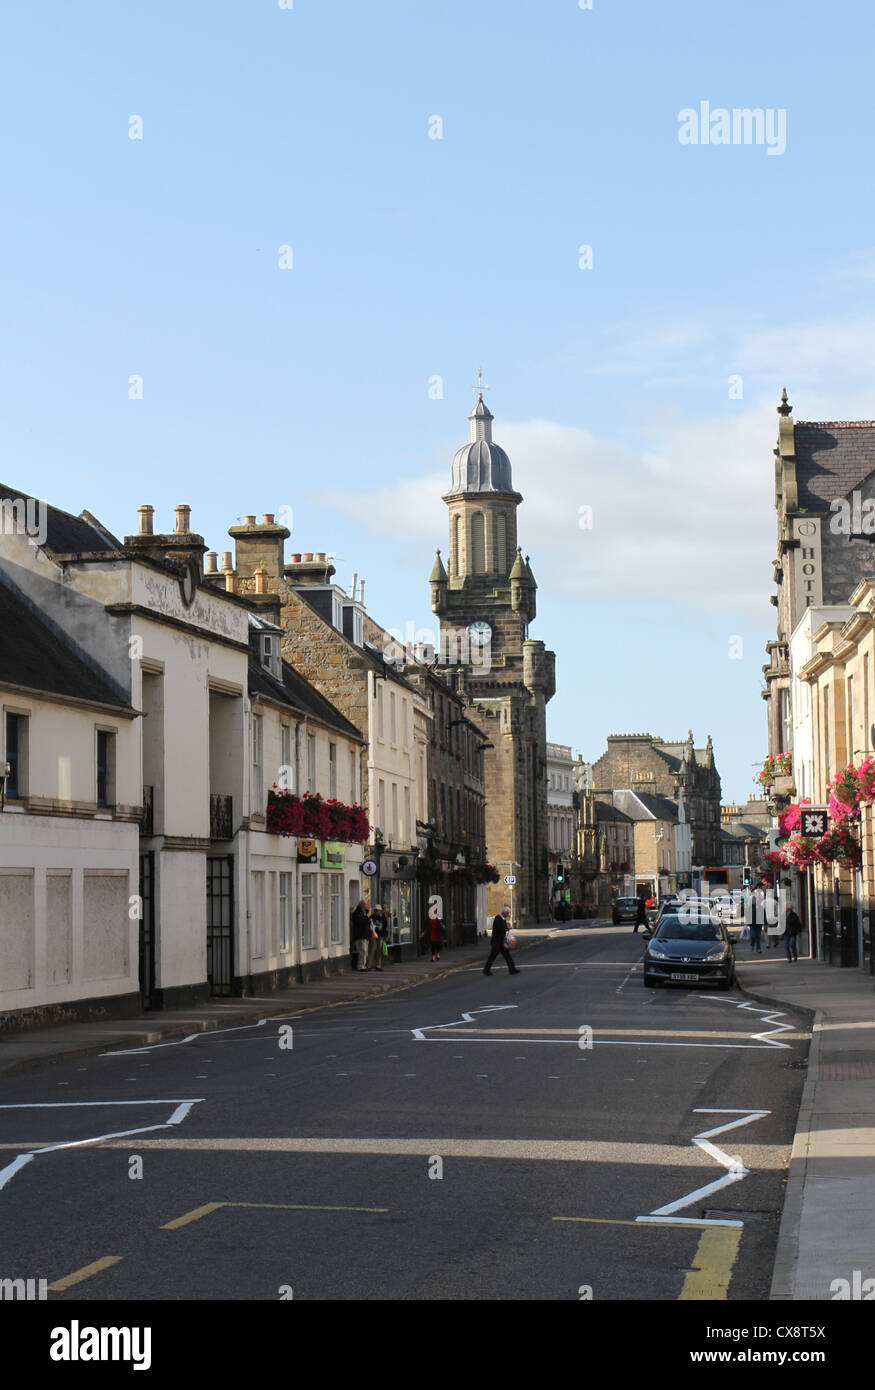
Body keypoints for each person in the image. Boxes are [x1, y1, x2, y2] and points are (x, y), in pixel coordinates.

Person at [483, 905, 520, 976]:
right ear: (504, 912)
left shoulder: (502, 918)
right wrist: (507, 928)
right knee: (492, 956)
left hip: (501, 942)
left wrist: (507, 928)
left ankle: (512, 969)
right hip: (496, 942)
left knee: (507, 955)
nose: (508, 915)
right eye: (507, 913)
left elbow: (503, 927)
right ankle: (486, 970)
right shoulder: (498, 918)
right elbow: (499, 928)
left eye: (508, 913)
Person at [351, 899, 373, 971]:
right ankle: (360, 966)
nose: (366, 906)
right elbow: (359, 922)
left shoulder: (364, 913)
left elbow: (366, 921)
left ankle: (363, 965)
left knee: (365, 951)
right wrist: (367, 920)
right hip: (360, 935)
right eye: (365, 905)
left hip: (365, 935)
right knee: (362, 951)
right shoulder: (357, 913)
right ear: (361, 905)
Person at [370, 903, 389, 971]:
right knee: (372, 950)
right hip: (373, 936)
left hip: (381, 935)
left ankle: (378, 965)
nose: (377, 911)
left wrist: (386, 936)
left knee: (379, 951)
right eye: (376, 910)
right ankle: (369, 965)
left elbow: (385, 927)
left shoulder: (383, 917)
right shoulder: (372, 917)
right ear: (374, 910)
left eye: (378, 910)